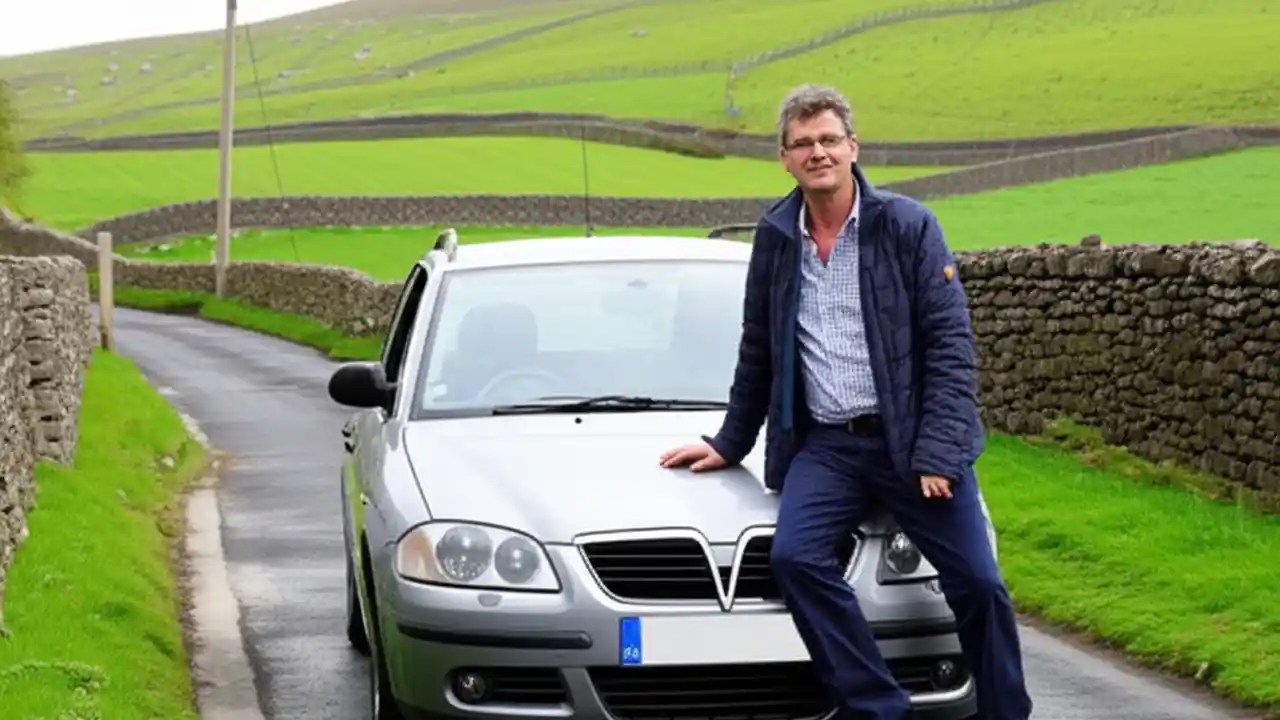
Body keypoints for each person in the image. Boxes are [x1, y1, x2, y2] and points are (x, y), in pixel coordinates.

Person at [658, 84, 1033, 720]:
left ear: (853, 147)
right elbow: (759, 348)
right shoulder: (775, 239)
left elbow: (950, 346)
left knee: (979, 582)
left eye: (829, 139)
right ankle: (878, 707)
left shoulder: (908, 227)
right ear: (784, 158)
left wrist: (938, 452)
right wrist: (729, 441)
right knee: (795, 558)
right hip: (827, 447)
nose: (818, 152)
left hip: (912, 440)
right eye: (803, 143)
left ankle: (1004, 712)